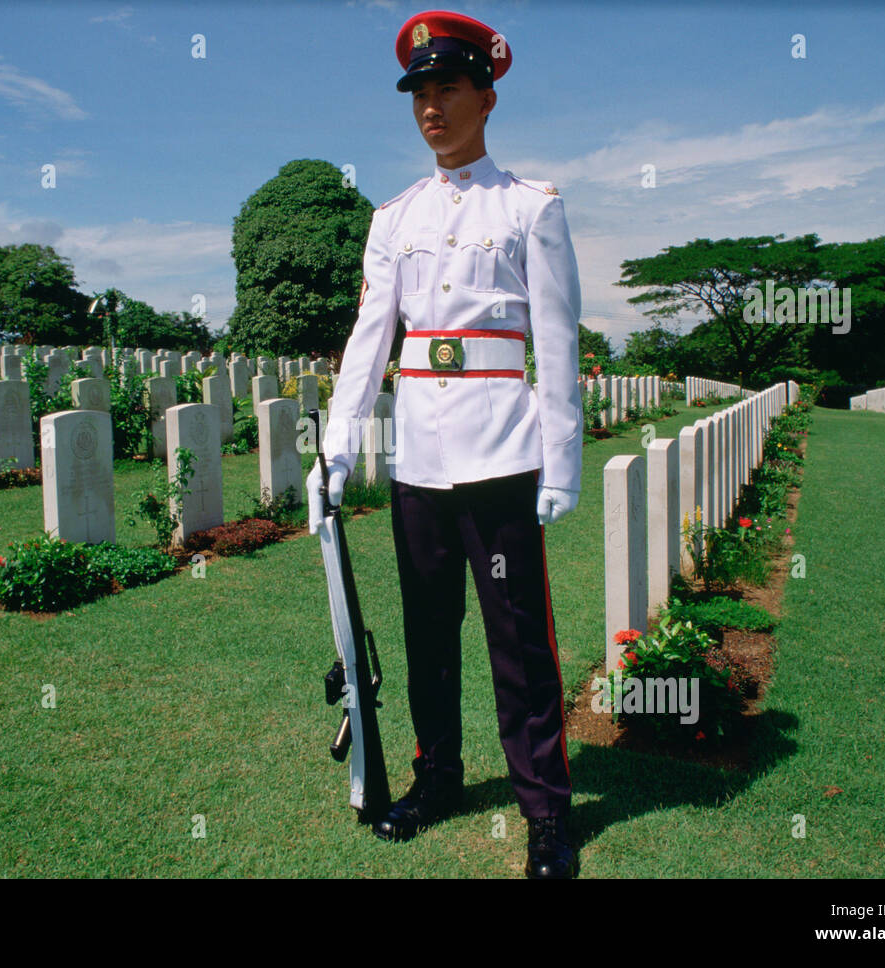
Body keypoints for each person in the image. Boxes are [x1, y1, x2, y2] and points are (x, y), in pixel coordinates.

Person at [307, 9, 584, 879]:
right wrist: (339, 448)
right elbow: (369, 338)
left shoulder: (532, 206)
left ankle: (544, 811)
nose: (430, 106)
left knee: (519, 640)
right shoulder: (394, 218)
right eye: (419, 93)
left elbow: (558, 338)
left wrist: (562, 457)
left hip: (503, 455)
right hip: (420, 459)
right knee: (428, 631)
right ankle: (439, 778)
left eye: (447, 89)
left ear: (486, 97)